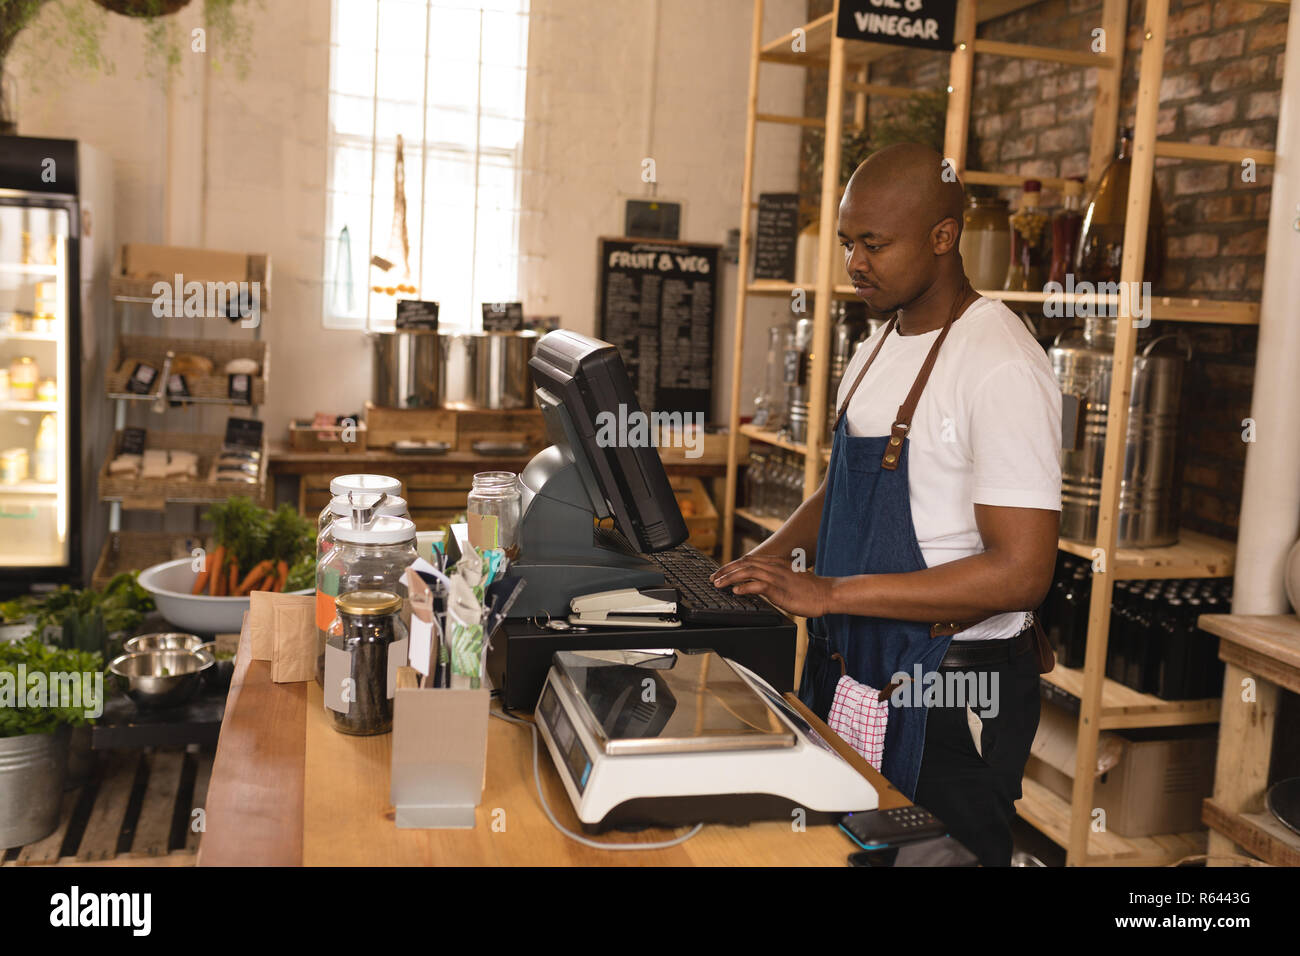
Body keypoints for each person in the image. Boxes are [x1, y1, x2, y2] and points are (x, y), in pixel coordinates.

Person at [711, 143, 1062, 866]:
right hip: (856, 663)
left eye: (874, 243)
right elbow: (843, 493)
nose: (854, 262)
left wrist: (830, 590)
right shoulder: (879, 342)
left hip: (950, 687)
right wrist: (764, 561)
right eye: (847, 242)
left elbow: (1022, 573)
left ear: (943, 236)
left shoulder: (999, 364)